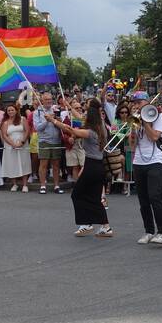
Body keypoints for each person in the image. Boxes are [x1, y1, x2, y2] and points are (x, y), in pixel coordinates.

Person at [51, 100, 114, 239]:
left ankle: (86, 223)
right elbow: (79, 117)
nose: (83, 116)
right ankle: (105, 227)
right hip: (98, 166)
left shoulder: (91, 132)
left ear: (90, 117)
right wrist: (68, 106)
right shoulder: (101, 125)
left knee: (77, 194)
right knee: (95, 198)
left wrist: (53, 121)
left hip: (92, 166)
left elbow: (71, 130)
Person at [131, 94, 162, 245]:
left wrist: (145, 122)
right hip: (139, 161)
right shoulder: (136, 118)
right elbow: (133, 143)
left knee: (155, 196)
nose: (137, 105)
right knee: (143, 199)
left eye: (139, 102)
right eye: (135, 103)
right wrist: (133, 129)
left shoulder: (158, 116)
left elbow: (154, 137)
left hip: (156, 161)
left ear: (147, 102)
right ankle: (148, 231)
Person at [32, 93, 64, 194]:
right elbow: (37, 128)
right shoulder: (37, 112)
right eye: (46, 99)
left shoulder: (56, 110)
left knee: (56, 164)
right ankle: (42, 186)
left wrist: (59, 121)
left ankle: (56, 186)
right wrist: (47, 120)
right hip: (44, 140)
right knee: (43, 164)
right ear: (42, 101)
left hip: (56, 140)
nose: (49, 101)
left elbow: (62, 126)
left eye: (50, 99)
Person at [0, 104, 32, 192]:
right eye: (8, 110)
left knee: (23, 163)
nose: (10, 112)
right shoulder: (5, 122)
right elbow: (4, 135)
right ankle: (14, 184)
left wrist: (22, 142)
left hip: (22, 144)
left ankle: (25, 185)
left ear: (16, 110)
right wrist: (13, 144)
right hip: (10, 146)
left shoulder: (22, 119)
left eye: (12, 110)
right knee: (11, 163)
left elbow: (27, 131)